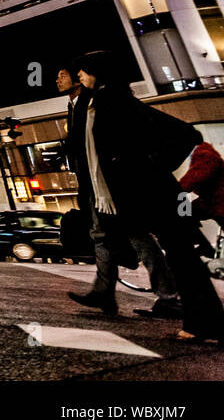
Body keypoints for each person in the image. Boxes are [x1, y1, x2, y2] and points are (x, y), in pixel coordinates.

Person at [75, 51, 224, 344]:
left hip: (155, 195)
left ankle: (205, 323)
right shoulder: (105, 101)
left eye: (83, 71)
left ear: (99, 72)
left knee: (183, 259)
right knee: (182, 258)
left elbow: (186, 134)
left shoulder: (116, 102)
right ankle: (206, 323)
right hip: (151, 194)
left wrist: (150, 168)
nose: (79, 76)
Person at [57, 64, 182, 318]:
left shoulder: (103, 103)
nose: (58, 80)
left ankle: (170, 296)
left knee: (137, 235)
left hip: (115, 183)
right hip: (96, 184)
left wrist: (121, 164)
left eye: (64, 75)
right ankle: (104, 293)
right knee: (101, 235)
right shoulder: (76, 106)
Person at [178, 141, 224, 256]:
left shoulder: (203, 153)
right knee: (183, 210)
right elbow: (200, 186)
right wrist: (186, 197)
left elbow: (196, 177)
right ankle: (202, 244)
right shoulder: (202, 152)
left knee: (182, 210)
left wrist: (177, 190)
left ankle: (203, 245)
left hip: (223, 204)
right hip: (215, 202)